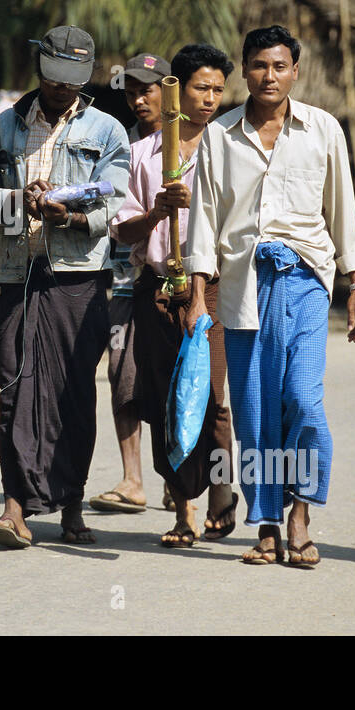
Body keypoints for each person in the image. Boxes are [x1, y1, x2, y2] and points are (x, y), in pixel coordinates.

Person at [184, 25, 355, 568]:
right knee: (253, 409)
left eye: (280, 66)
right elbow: (204, 222)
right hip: (241, 287)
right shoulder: (220, 136)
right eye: (260, 65)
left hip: (307, 281)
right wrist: (198, 297)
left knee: (303, 401)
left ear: (296, 71)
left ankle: (301, 515)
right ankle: (265, 524)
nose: (270, 75)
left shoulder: (323, 130)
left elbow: (343, 210)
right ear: (245, 70)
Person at [0, 25, 130, 548]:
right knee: (14, 388)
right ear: (39, 67)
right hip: (19, 275)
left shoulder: (108, 131)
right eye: (54, 77)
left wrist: (70, 215)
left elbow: (115, 201)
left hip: (79, 280)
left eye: (72, 80)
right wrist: (18, 201)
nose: (62, 89)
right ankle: (14, 508)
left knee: (72, 392)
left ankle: (72, 505)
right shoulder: (1, 129)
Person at [111, 44, 237, 547]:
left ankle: (222, 488)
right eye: (201, 88)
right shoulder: (141, 155)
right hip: (157, 288)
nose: (210, 99)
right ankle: (182, 509)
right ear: (176, 91)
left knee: (213, 397)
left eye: (218, 90)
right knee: (167, 399)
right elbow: (123, 231)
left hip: (216, 291)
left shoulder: (227, 148)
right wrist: (159, 212)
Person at [90, 53, 167, 516]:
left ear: (167, 91)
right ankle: (132, 477)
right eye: (133, 91)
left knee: (171, 376)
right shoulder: (120, 145)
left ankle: (178, 478)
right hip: (123, 275)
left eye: (149, 89)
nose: (140, 99)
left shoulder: (197, 142)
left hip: (178, 277)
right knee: (122, 371)